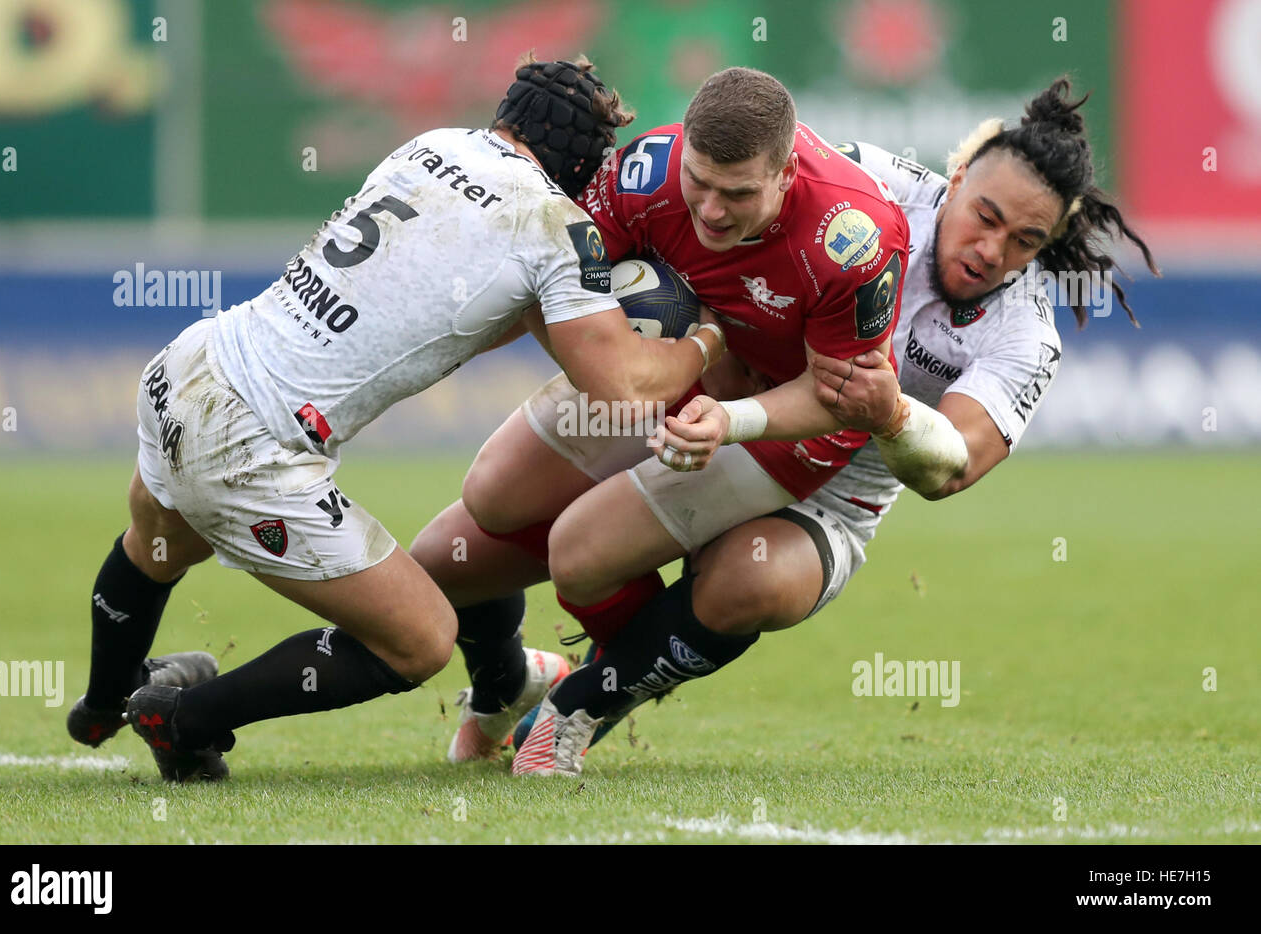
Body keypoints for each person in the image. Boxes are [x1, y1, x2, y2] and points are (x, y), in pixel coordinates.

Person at [65, 55, 728, 782]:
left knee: (157, 543)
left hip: (193, 362)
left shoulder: (432, 144)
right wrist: (707, 337)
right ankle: (184, 720)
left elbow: (473, 300)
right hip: (251, 437)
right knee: (419, 640)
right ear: (579, 162)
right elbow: (623, 388)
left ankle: (104, 701)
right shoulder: (555, 223)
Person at [508, 78, 1161, 775]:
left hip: (837, 498)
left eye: (1025, 241)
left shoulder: (1028, 336)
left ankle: (584, 699)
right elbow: (751, 190)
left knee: (748, 585)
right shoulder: (870, 188)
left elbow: (955, 466)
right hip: (739, 408)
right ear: (959, 176)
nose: (991, 250)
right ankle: (504, 667)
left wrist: (894, 413)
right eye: (985, 216)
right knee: (514, 521)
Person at [408, 66, 915, 764]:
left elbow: (838, 399)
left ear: (786, 173)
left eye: (737, 193)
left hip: (781, 429)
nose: (709, 209)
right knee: (481, 510)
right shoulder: (646, 173)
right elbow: (548, 285)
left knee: (580, 556)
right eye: (699, 182)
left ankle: (597, 690)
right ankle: (530, 677)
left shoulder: (852, 239)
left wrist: (729, 420)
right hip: (674, 377)